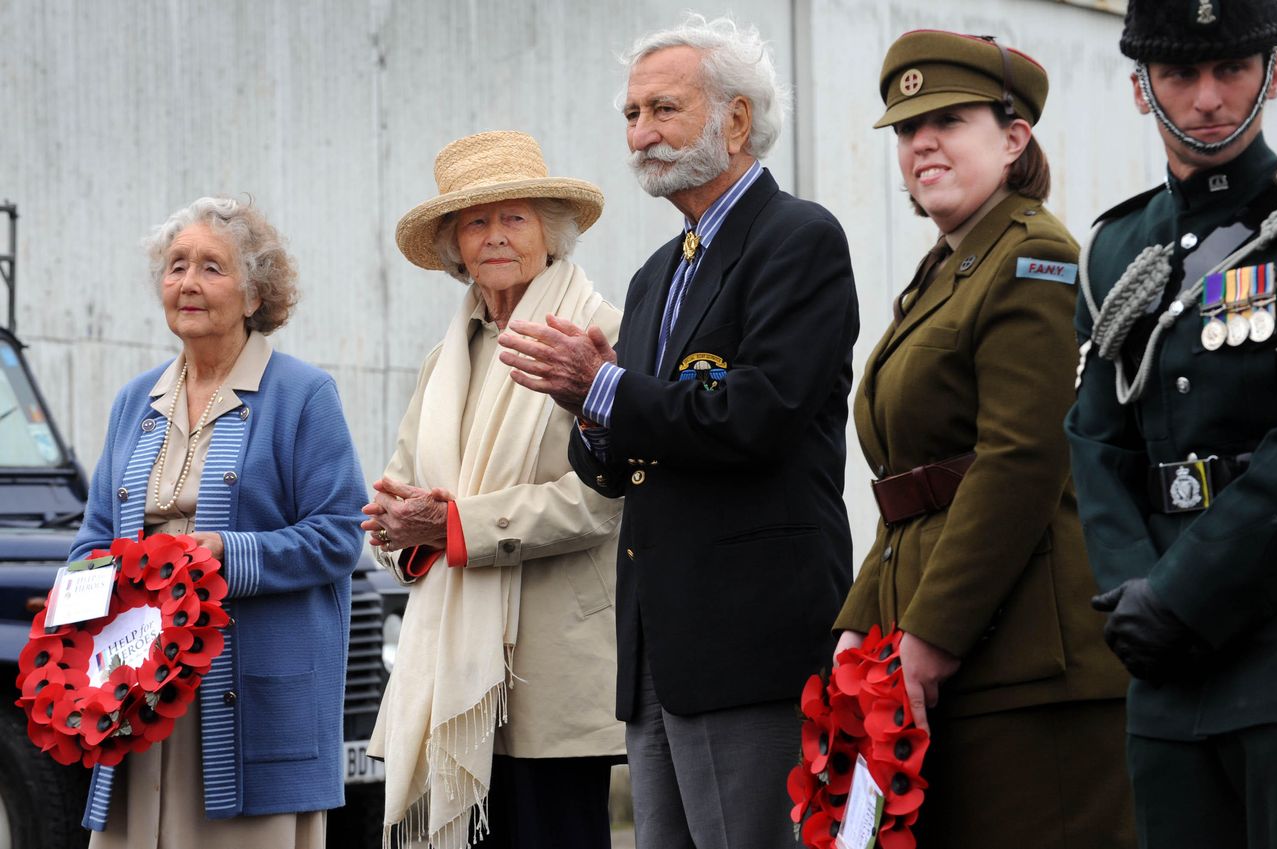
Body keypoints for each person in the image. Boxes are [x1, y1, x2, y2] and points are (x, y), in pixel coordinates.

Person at [497, 15, 857, 849]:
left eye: (663, 109)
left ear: (736, 120)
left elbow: (756, 416)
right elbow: (613, 468)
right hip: (658, 645)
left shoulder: (799, 239)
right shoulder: (657, 272)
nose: (640, 134)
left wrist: (609, 388)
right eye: (630, 114)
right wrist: (584, 403)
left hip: (748, 640)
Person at [831, 30, 1134, 848]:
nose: (921, 141)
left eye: (949, 119)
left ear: (1013, 137)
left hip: (1029, 664)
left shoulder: (1033, 254)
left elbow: (1021, 459)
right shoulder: (946, 267)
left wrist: (930, 632)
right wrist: (863, 625)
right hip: (950, 641)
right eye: (904, 127)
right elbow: (911, 483)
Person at [70, 197, 368, 847]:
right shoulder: (134, 400)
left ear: (256, 290)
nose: (188, 283)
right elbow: (94, 537)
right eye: (176, 266)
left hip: (248, 698)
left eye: (212, 266)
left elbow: (342, 533)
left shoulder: (303, 394)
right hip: (139, 691)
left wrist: (225, 555)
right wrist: (78, 598)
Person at [362, 130, 624, 849]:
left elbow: (601, 500)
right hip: (447, 673)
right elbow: (397, 507)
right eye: (476, 222)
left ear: (551, 231)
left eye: (515, 217)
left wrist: (451, 528)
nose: (496, 236)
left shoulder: (600, 335)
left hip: (556, 671)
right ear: (455, 248)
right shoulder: (443, 360)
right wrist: (397, 531)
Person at [1066, 1, 1277, 845]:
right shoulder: (1116, 252)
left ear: (1272, 72)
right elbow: (1093, 436)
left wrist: (1185, 594)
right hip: (1160, 661)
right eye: (1179, 74)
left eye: (1230, 68)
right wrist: (1133, 594)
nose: (1207, 98)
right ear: (1138, 88)